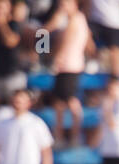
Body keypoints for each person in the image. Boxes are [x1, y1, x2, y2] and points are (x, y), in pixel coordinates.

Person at [44, 0, 89, 148]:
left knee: (70, 101)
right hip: (67, 66)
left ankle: (74, 137)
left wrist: (54, 58)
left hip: (68, 66)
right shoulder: (75, 19)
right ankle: (61, 136)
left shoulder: (75, 19)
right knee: (59, 103)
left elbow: (61, 40)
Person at [88, 0, 119, 78]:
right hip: (95, 23)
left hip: (115, 24)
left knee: (116, 51)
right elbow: (87, 5)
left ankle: (116, 78)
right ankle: (94, 60)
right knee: (84, 35)